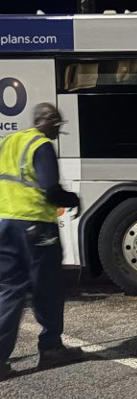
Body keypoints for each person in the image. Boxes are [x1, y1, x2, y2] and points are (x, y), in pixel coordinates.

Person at [0, 103, 82, 380]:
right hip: (36, 228)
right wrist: (72, 200)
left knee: (10, 290)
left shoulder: (10, 141)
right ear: (47, 122)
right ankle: (51, 349)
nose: (58, 130)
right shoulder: (41, 145)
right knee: (47, 289)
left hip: (5, 224)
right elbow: (50, 191)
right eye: (56, 124)